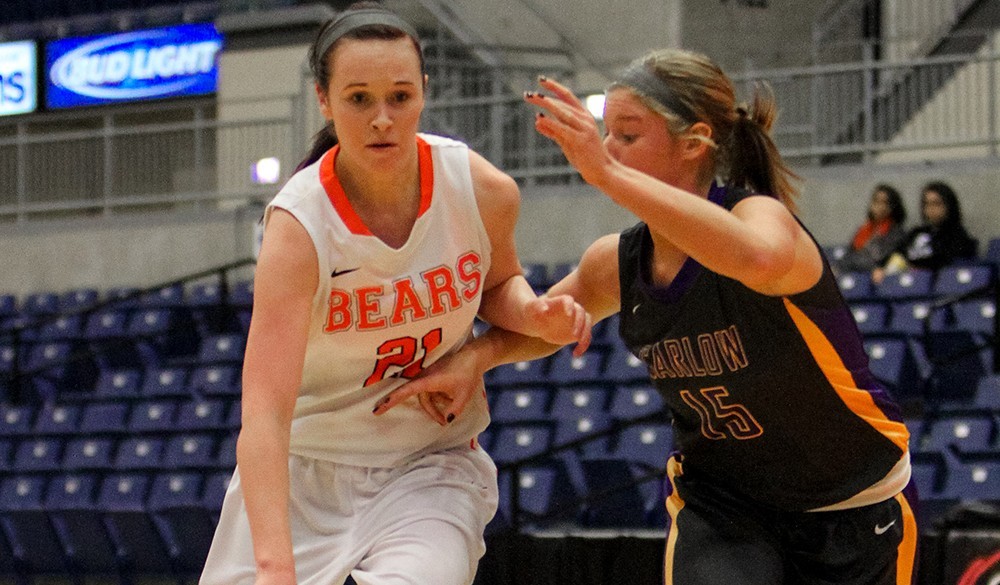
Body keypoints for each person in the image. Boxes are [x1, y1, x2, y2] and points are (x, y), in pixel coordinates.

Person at [377, 48, 918, 584]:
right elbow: (545, 323)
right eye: (605, 133)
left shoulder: (760, 218)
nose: (607, 148)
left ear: (693, 143)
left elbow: (756, 258)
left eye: (627, 136)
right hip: (723, 501)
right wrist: (478, 356)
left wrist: (608, 173)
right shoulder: (616, 262)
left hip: (853, 499)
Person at [199, 4, 591, 585]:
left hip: (429, 463)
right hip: (306, 472)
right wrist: (274, 564)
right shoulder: (299, 227)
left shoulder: (481, 189)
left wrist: (530, 310)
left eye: (400, 97)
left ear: (423, 94)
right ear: (325, 100)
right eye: (359, 99)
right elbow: (263, 409)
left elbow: (496, 285)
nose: (382, 118)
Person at [873, 180, 977, 283]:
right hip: (904, 283)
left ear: (949, 206)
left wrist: (917, 269)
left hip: (930, 286)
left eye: (936, 204)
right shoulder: (916, 233)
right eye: (927, 204)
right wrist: (881, 268)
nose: (931, 209)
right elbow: (897, 253)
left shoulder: (957, 235)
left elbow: (947, 264)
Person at [833, 183, 907, 275]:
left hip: (876, 275)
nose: (879, 207)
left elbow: (878, 258)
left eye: (884, 202)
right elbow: (848, 255)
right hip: (855, 272)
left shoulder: (896, 232)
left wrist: (858, 260)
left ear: (892, 207)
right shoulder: (864, 229)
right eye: (876, 201)